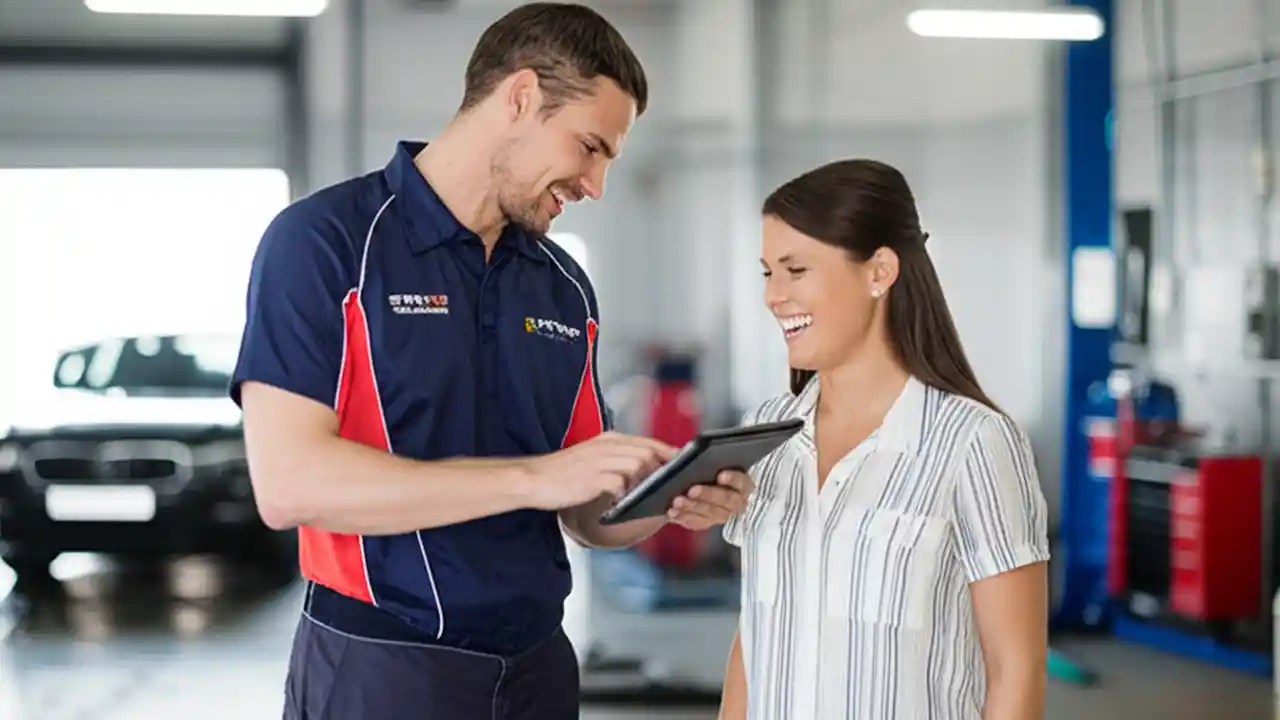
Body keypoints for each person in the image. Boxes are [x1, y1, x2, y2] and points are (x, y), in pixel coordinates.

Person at [229, 4, 754, 718]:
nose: (595, 184)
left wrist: (666, 500)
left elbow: (586, 513)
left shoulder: (563, 288)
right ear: (522, 97)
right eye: (589, 147)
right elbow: (289, 485)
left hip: (539, 670)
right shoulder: (324, 243)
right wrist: (533, 477)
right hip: (382, 665)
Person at [717, 159, 1050, 720]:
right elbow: (754, 638)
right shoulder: (764, 435)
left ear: (879, 272)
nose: (774, 295)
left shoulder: (974, 443)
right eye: (768, 272)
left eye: (796, 270)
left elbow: (1014, 671)